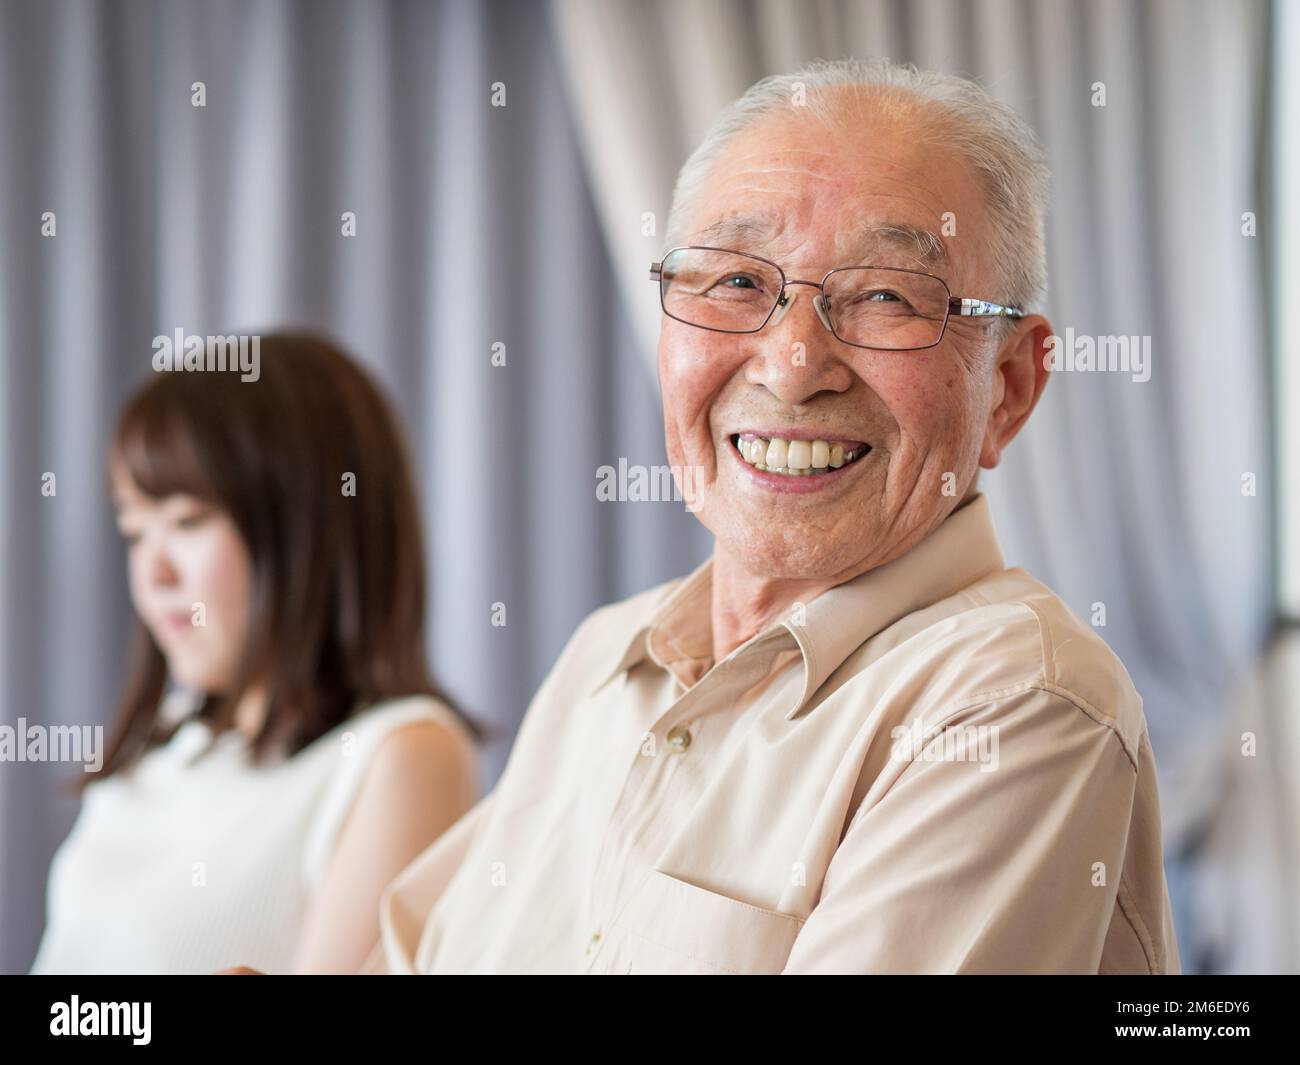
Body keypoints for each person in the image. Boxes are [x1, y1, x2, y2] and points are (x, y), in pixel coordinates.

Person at [280, 56, 1179, 975]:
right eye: (738, 284)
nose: (793, 363)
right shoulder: (609, 656)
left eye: (884, 295)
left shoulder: (1015, 700)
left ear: (1012, 386)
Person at [30, 331, 483, 975]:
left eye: (186, 522)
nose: (152, 572)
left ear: (310, 532)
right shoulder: (167, 742)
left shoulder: (402, 753)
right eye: (134, 531)